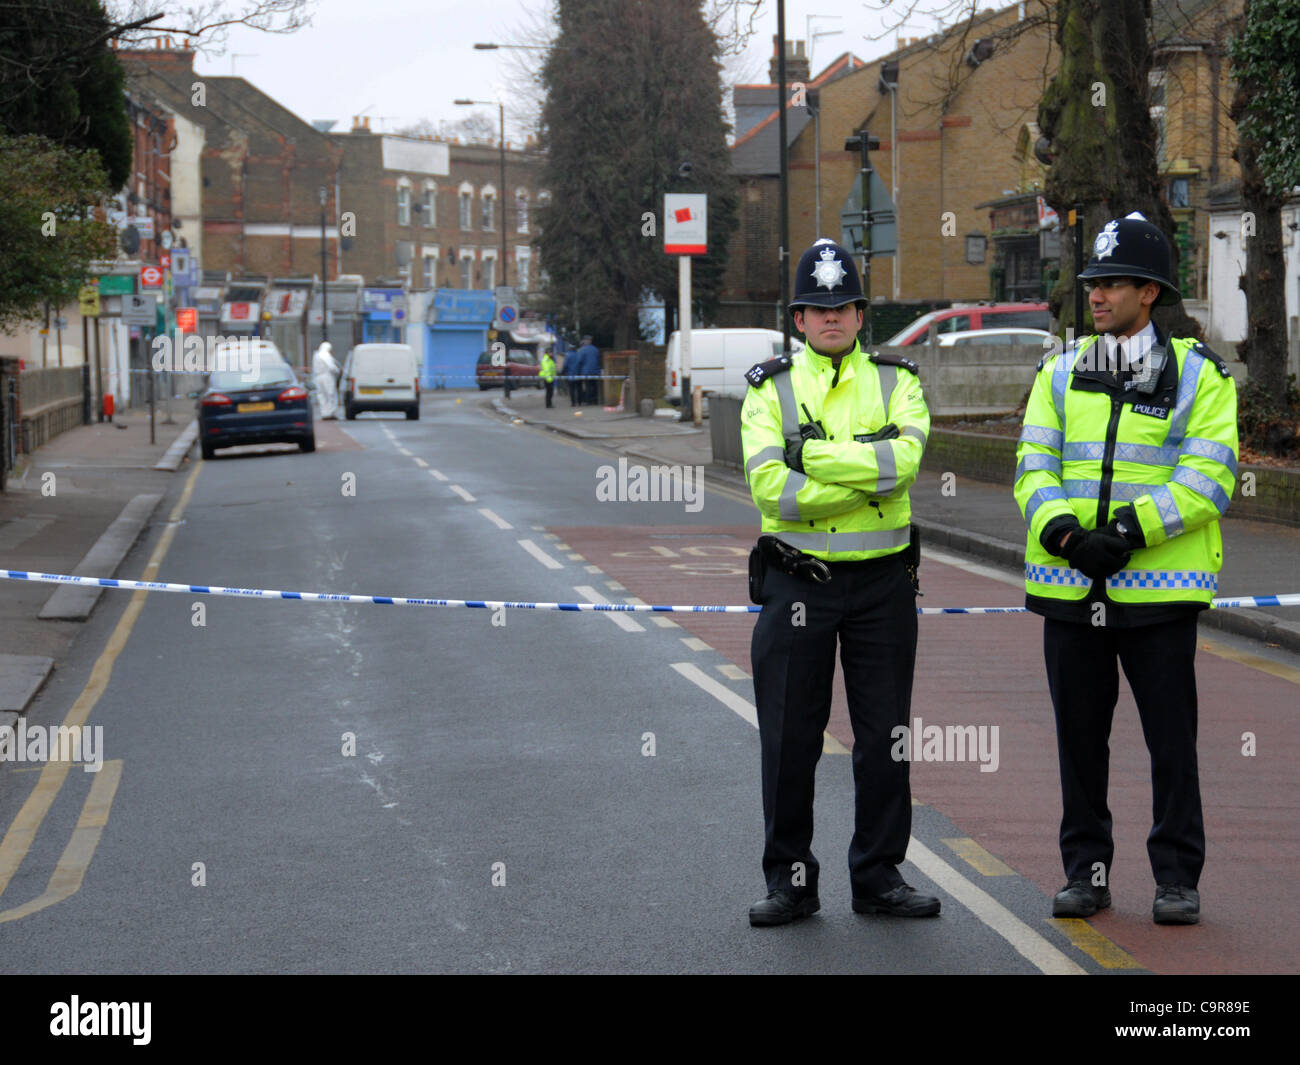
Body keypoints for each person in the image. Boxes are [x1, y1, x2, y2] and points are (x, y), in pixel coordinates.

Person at [1014, 212, 1239, 926]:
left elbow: (1208, 478)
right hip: (1070, 585)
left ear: (1150, 292)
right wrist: (1064, 534)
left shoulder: (1200, 378)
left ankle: (1176, 878)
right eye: (1093, 284)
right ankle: (1087, 873)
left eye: (1110, 284)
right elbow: (1033, 465)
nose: (1097, 295)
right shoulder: (1058, 371)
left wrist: (1124, 530)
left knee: (1169, 743)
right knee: (1080, 744)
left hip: (1159, 594)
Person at [740, 238, 938, 926]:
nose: (831, 317)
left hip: (884, 586)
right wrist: (861, 478)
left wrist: (815, 457)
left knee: (884, 739)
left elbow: (904, 466)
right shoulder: (769, 388)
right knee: (790, 739)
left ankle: (878, 876)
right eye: (817, 308)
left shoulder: (898, 380)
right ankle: (791, 882)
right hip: (797, 585)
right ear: (798, 319)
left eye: (843, 306)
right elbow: (773, 491)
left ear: (860, 314)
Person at [311, 341, 340, 420]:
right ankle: (330, 412)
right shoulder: (326, 355)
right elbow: (331, 367)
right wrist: (337, 371)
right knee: (330, 394)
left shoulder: (316, 355)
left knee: (321, 395)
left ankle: (324, 413)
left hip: (318, 377)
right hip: (327, 376)